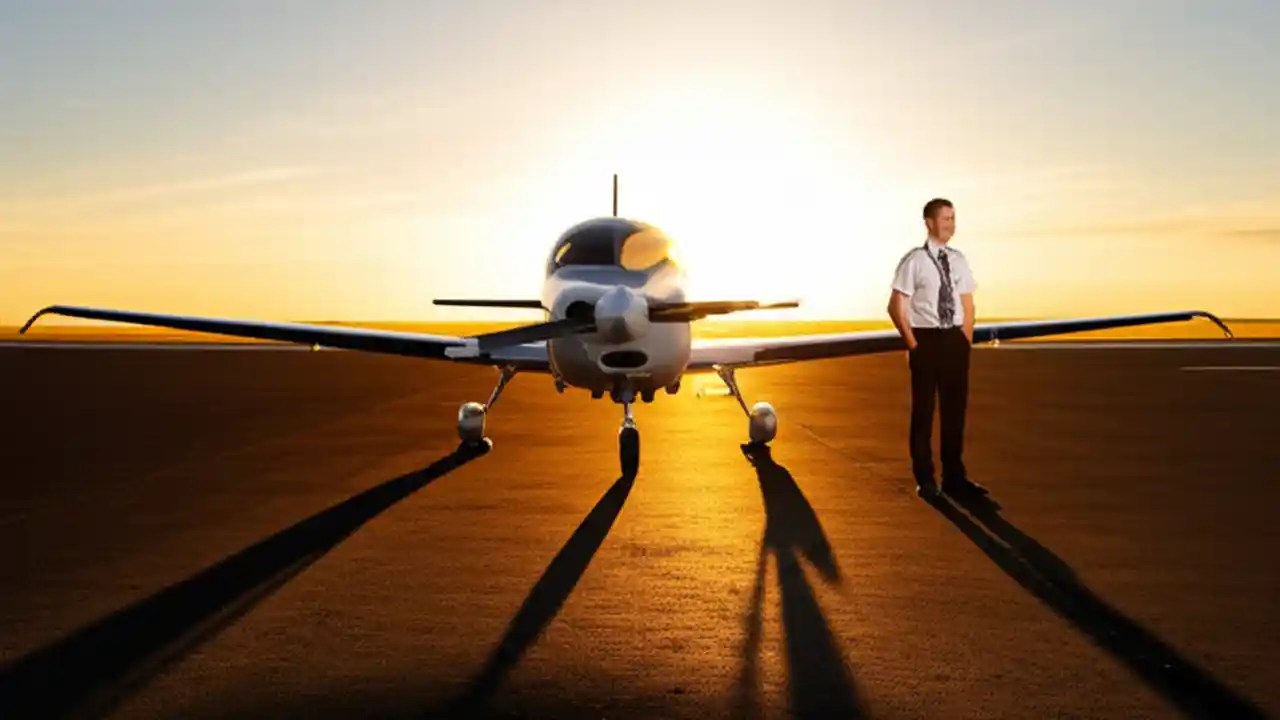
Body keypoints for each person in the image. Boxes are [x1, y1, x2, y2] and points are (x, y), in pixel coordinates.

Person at [887, 198, 988, 499]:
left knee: (955, 413)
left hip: (954, 342)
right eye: (945, 219)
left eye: (953, 218)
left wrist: (964, 340)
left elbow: (968, 303)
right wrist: (914, 344)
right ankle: (925, 480)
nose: (951, 225)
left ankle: (955, 479)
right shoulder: (914, 261)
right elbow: (895, 306)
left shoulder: (958, 259)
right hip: (926, 340)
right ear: (929, 223)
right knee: (924, 412)